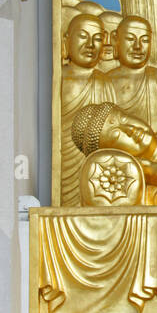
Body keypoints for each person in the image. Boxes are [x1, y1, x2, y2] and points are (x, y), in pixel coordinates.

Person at [60, 13, 114, 207]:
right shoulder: (59, 79)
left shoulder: (103, 81)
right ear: (67, 40)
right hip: (64, 159)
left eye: (97, 38)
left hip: (96, 162)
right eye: (83, 36)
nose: (91, 44)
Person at [105, 15, 157, 134]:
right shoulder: (105, 83)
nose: (138, 46)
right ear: (116, 39)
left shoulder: (156, 79)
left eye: (145, 40)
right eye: (130, 39)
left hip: (154, 148)